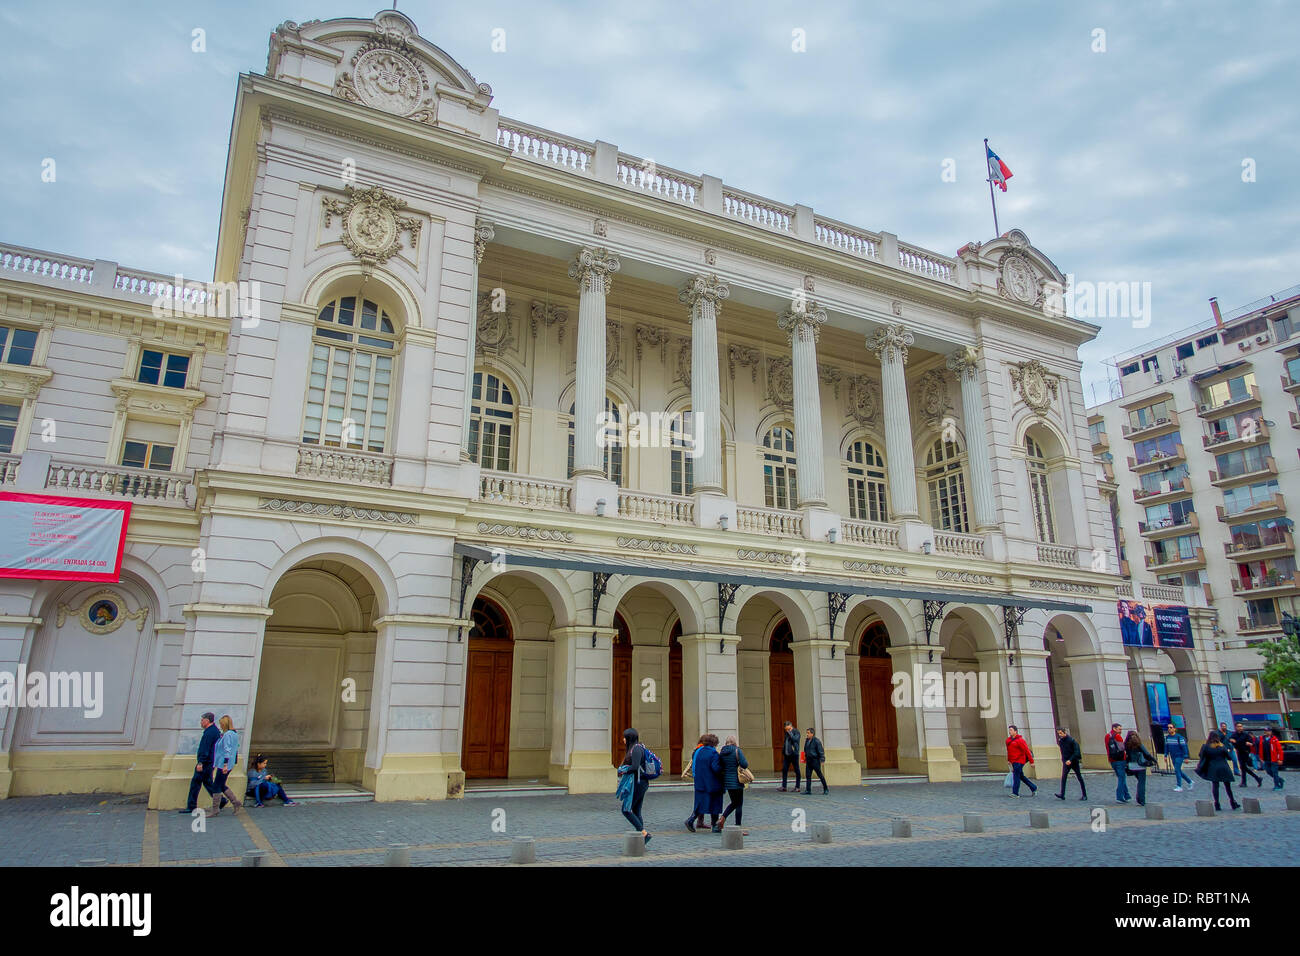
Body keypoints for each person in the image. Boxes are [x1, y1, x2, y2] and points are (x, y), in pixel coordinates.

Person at [179, 712, 221, 814]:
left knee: (196, 783)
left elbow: (205, 748)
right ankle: (221, 801)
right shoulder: (214, 731)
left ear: (207, 720)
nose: (201, 722)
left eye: (202, 720)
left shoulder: (209, 733)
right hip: (209, 762)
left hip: (205, 762)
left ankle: (191, 806)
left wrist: (200, 762)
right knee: (208, 783)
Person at [617, 727, 652, 845]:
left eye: (624, 737)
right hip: (640, 782)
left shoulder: (636, 749)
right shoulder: (636, 748)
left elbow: (635, 767)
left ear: (629, 738)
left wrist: (623, 770)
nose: (623, 740)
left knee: (626, 809)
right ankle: (642, 838)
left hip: (638, 783)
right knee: (636, 811)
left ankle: (644, 833)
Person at [686, 733, 724, 832]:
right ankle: (715, 826)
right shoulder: (713, 753)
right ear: (714, 743)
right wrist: (723, 769)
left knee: (700, 803)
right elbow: (716, 768)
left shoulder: (698, 751)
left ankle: (691, 820)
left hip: (700, 782)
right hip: (712, 783)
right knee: (715, 804)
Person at [1196, 731, 1240, 811]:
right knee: (1228, 787)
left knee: (1215, 786)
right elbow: (1229, 757)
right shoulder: (1222, 747)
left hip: (1213, 768)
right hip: (1224, 767)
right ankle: (1233, 802)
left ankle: (1217, 804)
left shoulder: (1206, 746)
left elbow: (1201, 755)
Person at [717, 735, 750, 835]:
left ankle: (722, 818)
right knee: (738, 804)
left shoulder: (722, 752)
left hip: (727, 781)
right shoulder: (737, 750)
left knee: (734, 802)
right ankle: (737, 827)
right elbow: (745, 764)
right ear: (735, 742)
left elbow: (720, 765)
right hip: (737, 780)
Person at [212, 715, 243, 814]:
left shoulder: (228, 734)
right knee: (221, 784)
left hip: (224, 764)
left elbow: (227, 749)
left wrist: (225, 764)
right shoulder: (233, 734)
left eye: (221, 724)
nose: (220, 726)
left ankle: (215, 809)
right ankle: (235, 802)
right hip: (228, 763)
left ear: (224, 724)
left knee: (217, 785)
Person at [1124, 730, 1156, 806]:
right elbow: (1147, 753)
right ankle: (1141, 799)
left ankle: (1139, 798)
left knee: (1139, 781)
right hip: (1140, 765)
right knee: (1142, 783)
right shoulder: (1139, 744)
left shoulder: (1126, 745)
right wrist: (1153, 760)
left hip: (1132, 765)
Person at [1054, 727, 1086, 800]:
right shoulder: (1061, 741)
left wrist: (1070, 760)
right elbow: (1063, 752)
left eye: (1061, 733)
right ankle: (1062, 794)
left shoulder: (1071, 740)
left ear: (1064, 732)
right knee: (1064, 777)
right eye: (1058, 733)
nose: (1060, 735)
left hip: (1074, 761)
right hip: (1066, 762)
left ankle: (1084, 795)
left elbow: (1076, 752)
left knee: (1079, 777)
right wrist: (1064, 760)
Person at [1005, 725, 1036, 797]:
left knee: (1016, 776)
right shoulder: (1008, 740)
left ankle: (1015, 793)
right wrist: (1009, 760)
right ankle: (1033, 787)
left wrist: (1032, 762)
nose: (1010, 731)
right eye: (1009, 730)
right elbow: (1009, 751)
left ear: (1015, 731)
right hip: (1013, 761)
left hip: (1019, 761)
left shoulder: (1020, 740)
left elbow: (1027, 751)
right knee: (1020, 776)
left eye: (1011, 730)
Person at [1229, 723, 1263, 788]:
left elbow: (1252, 743)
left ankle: (1244, 782)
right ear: (1236, 727)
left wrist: (1250, 744)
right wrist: (1231, 740)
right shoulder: (1234, 734)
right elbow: (1230, 740)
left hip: (1245, 752)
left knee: (1243, 766)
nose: (1240, 728)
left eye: (1241, 726)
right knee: (1243, 767)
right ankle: (1257, 778)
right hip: (1239, 752)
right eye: (1238, 726)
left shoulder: (1245, 734)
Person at [1105, 723, 1131, 803]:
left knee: (1121, 777)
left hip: (1112, 759)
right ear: (1114, 728)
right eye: (1119, 729)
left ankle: (1126, 795)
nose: (1120, 731)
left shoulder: (1107, 736)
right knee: (1121, 778)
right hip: (1120, 760)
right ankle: (1119, 796)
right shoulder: (1117, 736)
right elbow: (1122, 748)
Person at [1164, 723, 1193, 791]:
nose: (1169, 729)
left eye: (1171, 727)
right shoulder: (1167, 737)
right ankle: (1190, 781)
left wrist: (1186, 757)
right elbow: (1166, 747)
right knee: (1178, 770)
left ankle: (1179, 786)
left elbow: (1184, 747)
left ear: (1174, 729)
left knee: (1177, 770)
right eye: (1168, 727)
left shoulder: (1179, 737)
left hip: (1179, 756)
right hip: (1173, 756)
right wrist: (1165, 755)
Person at [803, 727, 828, 795]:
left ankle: (826, 788)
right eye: (807, 733)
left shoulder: (817, 741)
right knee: (808, 775)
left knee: (819, 775)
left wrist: (822, 759)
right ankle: (808, 790)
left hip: (815, 761)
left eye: (808, 733)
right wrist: (805, 757)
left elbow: (821, 751)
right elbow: (805, 750)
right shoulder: (807, 741)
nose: (807, 734)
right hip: (808, 760)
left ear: (812, 733)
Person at [778, 720, 802, 792]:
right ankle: (784, 786)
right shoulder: (786, 732)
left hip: (794, 754)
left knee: (796, 770)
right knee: (784, 770)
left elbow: (795, 739)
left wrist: (790, 733)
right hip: (787, 755)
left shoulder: (796, 732)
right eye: (786, 729)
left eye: (788, 729)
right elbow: (786, 742)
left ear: (791, 726)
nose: (787, 730)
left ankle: (797, 787)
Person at [1260, 726, 1286, 791]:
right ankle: (1280, 780)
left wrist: (1280, 759)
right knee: (1268, 771)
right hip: (1266, 759)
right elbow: (1260, 748)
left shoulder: (1274, 739)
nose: (1267, 732)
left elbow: (1280, 750)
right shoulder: (1262, 739)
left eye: (1268, 731)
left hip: (1274, 759)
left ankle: (1277, 785)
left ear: (1271, 732)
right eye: (1265, 731)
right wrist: (1261, 757)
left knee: (1275, 772)